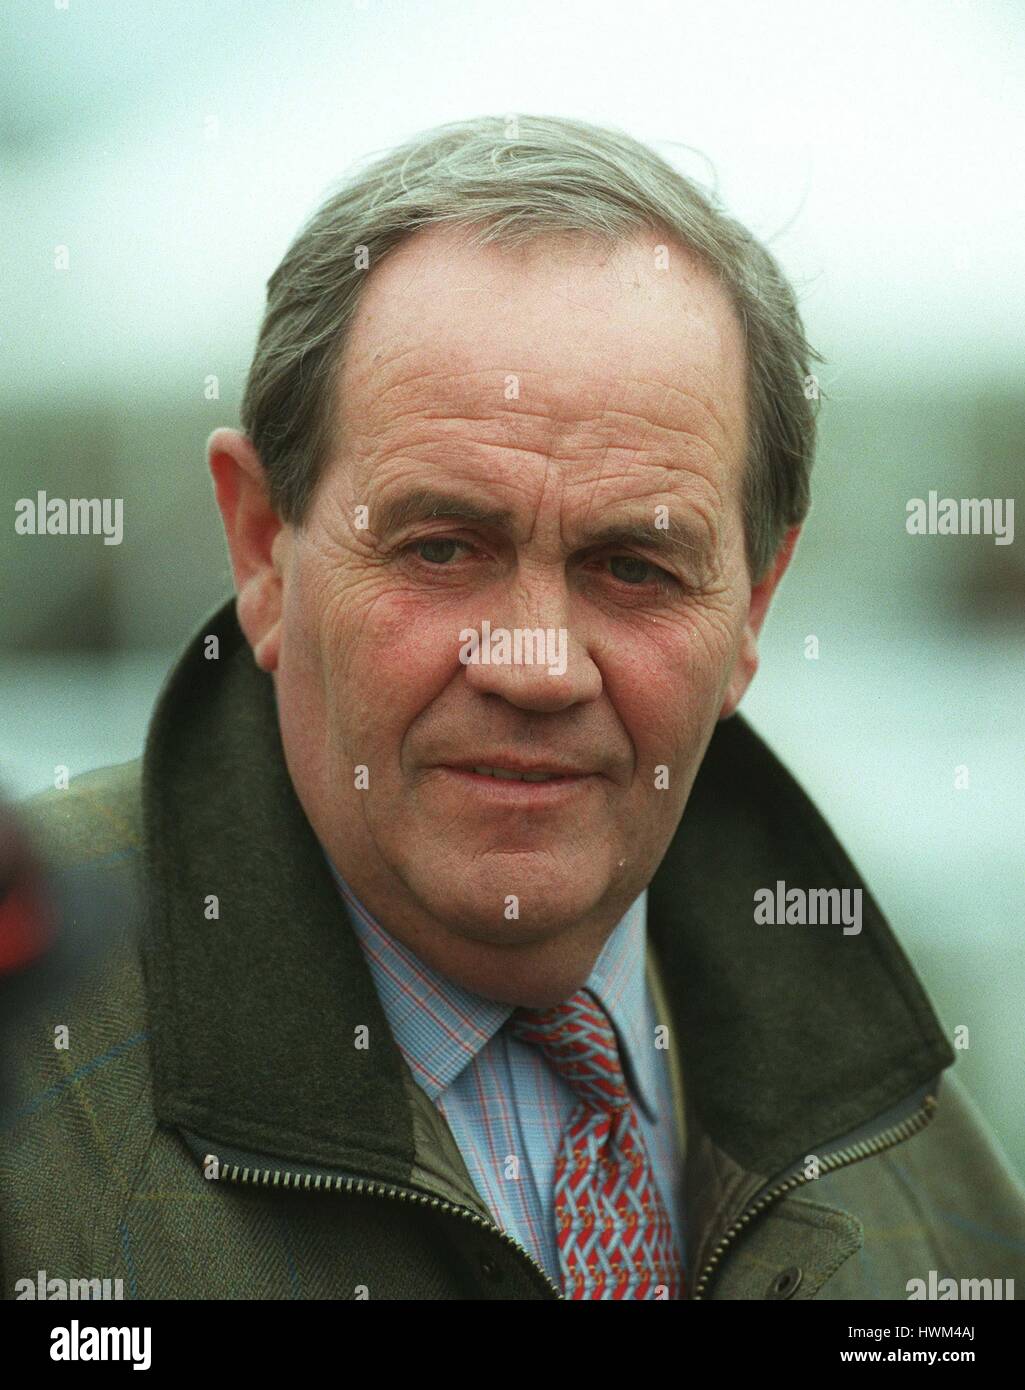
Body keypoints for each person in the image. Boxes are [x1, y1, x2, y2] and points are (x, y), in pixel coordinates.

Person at [3, 114, 1024, 1302]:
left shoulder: (917, 1163)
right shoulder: (32, 1052)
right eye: (441, 548)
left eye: (631, 568)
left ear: (753, 605)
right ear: (261, 547)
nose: (536, 666)